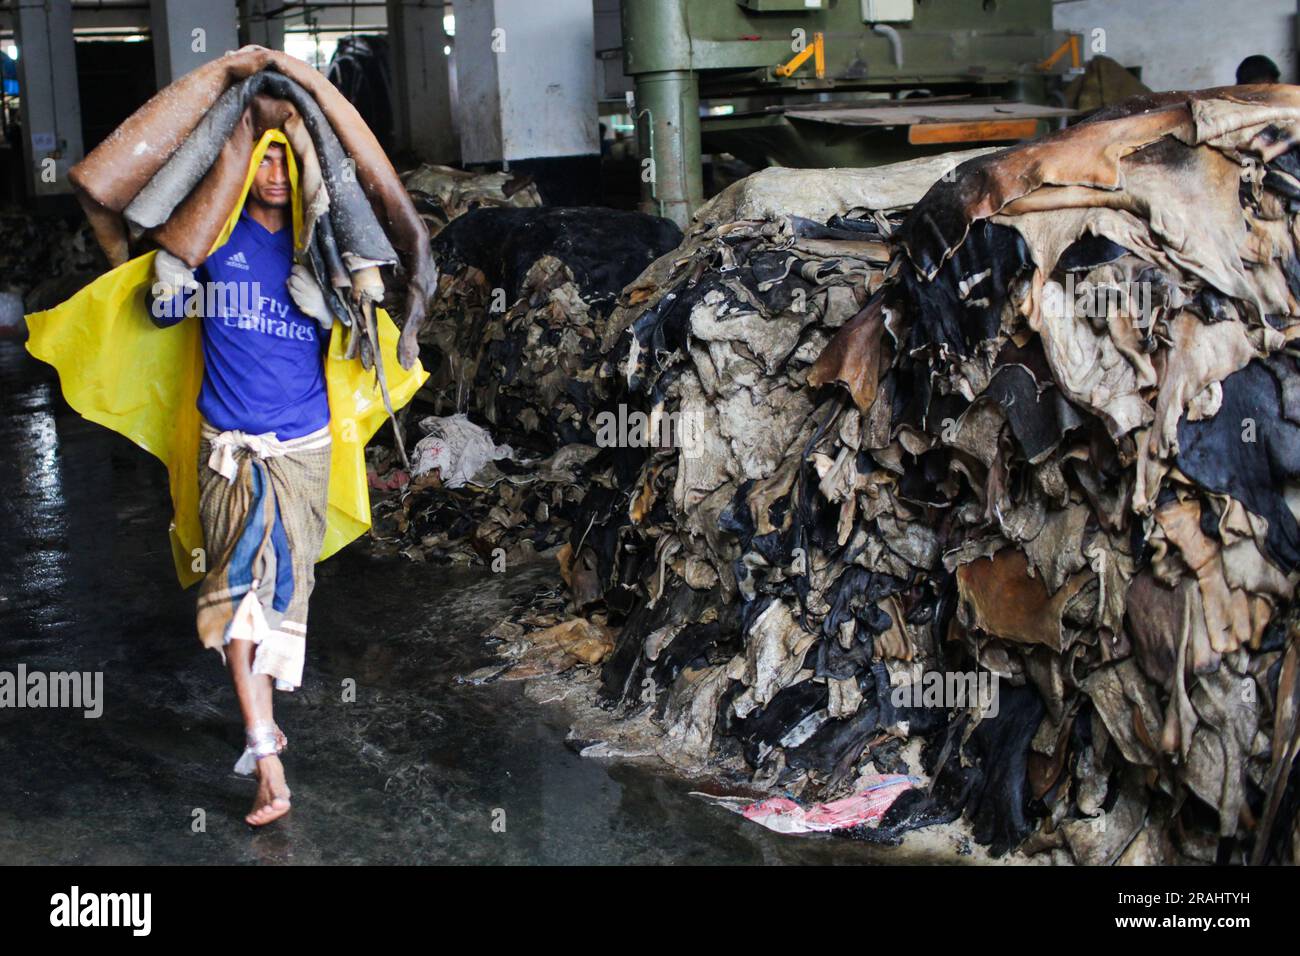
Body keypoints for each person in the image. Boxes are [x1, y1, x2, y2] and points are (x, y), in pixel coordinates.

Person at [151, 140, 336, 827]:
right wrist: (170, 285)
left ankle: (264, 739)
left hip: (301, 450)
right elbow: (163, 314)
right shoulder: (211, 236)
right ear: (241, 165)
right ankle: (265, 753)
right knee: (240, 603)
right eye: (265, 160)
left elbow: (362, 342)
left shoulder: (321, 245)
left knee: (278, 597)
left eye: (289, 163)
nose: (277, 176)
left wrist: (332, 313)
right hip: (227, 451)